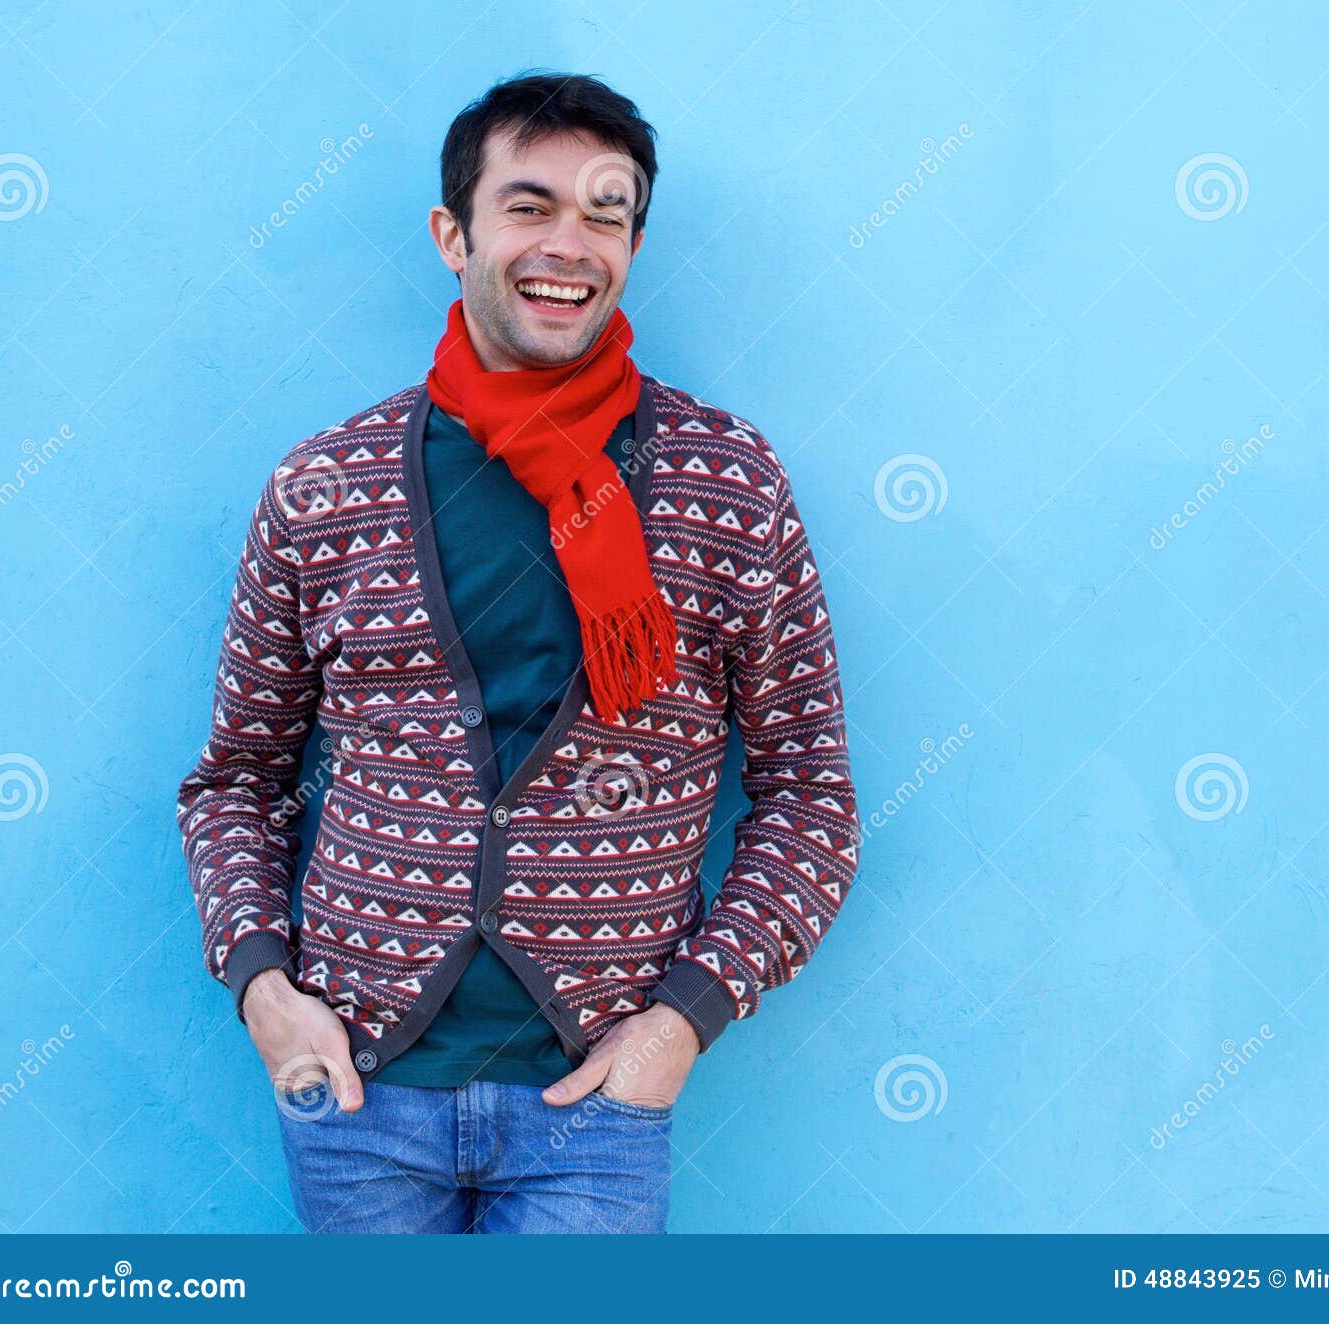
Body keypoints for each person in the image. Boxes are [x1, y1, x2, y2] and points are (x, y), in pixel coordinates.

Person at [176, 71, 860, 1235]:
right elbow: (237, 779)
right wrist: (265, 992)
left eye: (606, 214)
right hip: (357, 1091)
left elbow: (810, 795)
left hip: (594, 1101)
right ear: (453, 236)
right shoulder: (325, 487)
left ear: (632, 245)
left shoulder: (725, 484)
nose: (568, 245)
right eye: (529, 205)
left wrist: (681, 1021)